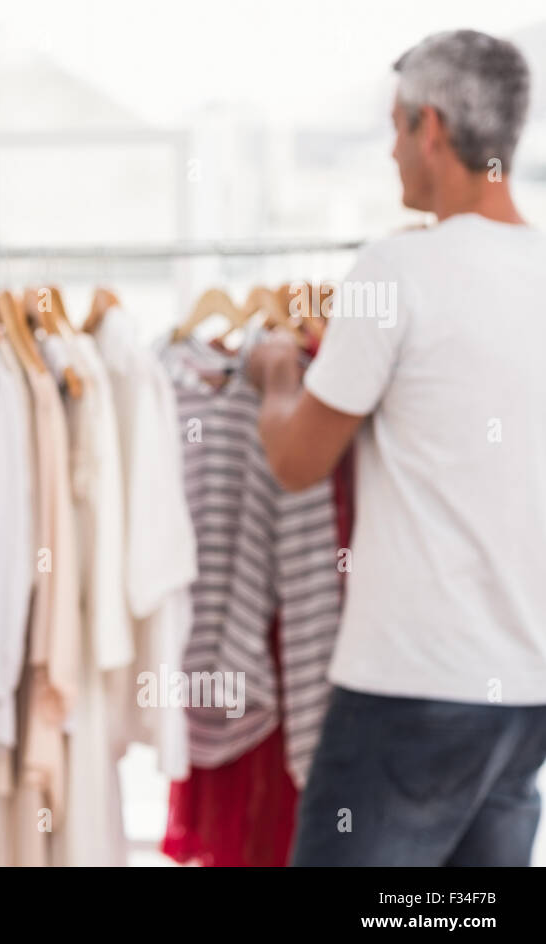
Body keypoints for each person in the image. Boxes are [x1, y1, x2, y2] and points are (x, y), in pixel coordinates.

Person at [248, 30, 546, 866]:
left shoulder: (395, 271)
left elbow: (298, 459)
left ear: (433, 127)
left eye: (394, 127)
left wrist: (275, 375)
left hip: (410, 688)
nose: (389, 151)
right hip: (523, 692)